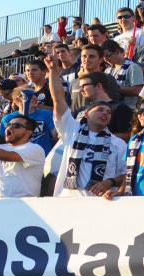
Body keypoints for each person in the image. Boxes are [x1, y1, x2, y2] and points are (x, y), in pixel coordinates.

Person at [46, 55, 128, 198]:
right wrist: (53, 71)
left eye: (109, 112)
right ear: (86, 115)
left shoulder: (118, 144)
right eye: (100, 110)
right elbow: (58, 99)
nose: (105, 113)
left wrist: (110, 182)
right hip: (68, 200)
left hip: (102, 202)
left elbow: (125, 174)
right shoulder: (71, 130)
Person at [0, 88, 58, 157]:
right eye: (29, 96)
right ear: (17, 100)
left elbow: (55, 136)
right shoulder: (8, 119)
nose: (35, 98)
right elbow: (3, 142)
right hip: (19, 157)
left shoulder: (46, 114)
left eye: (35, 95)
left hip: (43, 157)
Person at [103, 40, 144, 109]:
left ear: (117, 52)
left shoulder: (133, 67)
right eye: (104, 57)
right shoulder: (107, 70)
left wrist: (115, 87)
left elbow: (138, 90)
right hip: (113, 108)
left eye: (108, 56)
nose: (106, 60)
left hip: (129, 108)